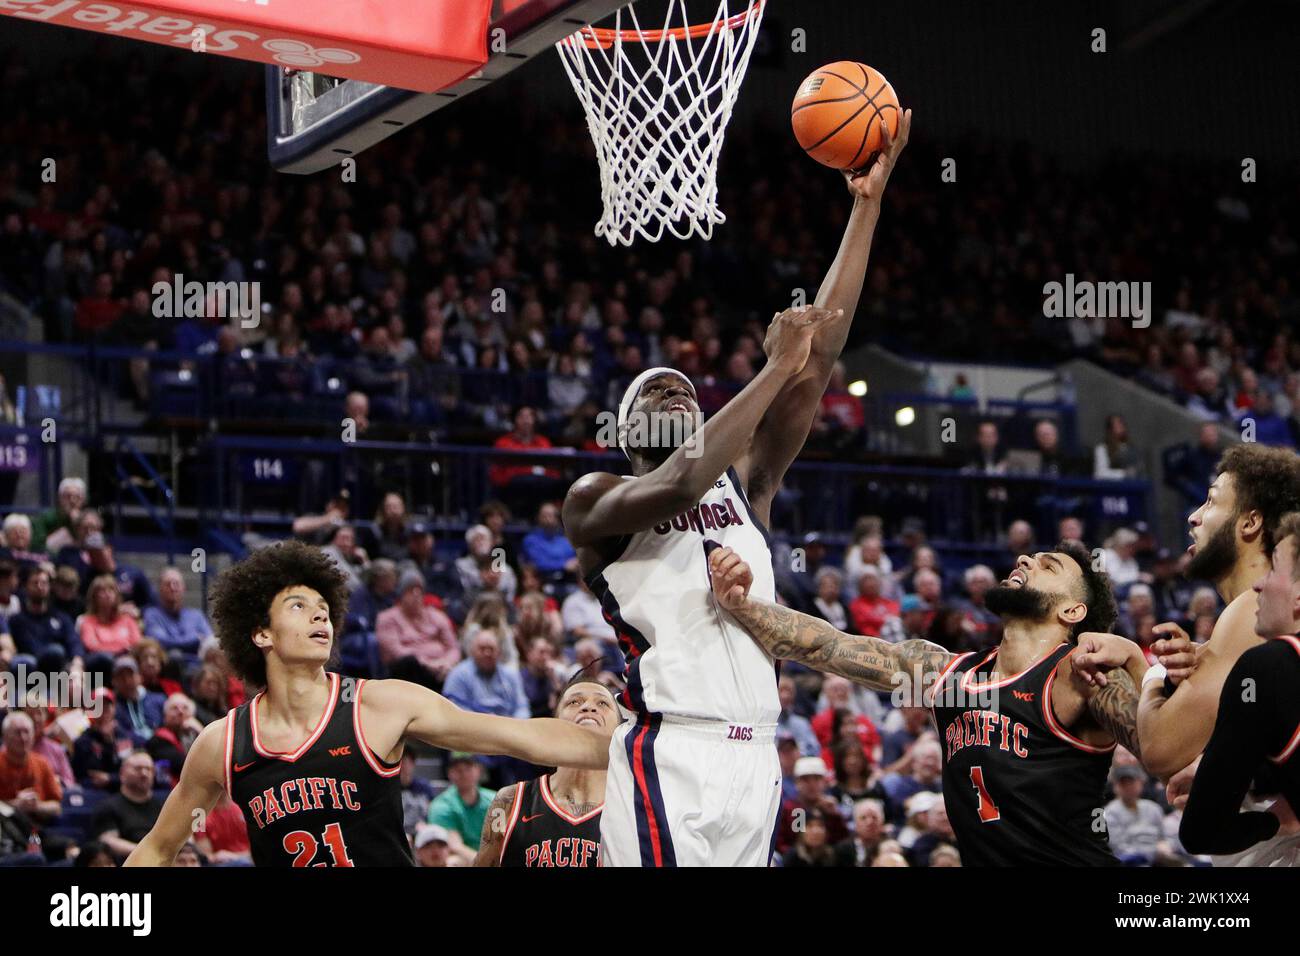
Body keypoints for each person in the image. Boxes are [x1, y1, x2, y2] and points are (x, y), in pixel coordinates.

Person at [561, 117, 909, 867]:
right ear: (625, 432)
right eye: (657, 393)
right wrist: (775, 367)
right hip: (672, 748)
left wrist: (866, 207)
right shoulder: (596, 499)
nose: (676, 395)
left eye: (686, 389)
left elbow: (820, 357)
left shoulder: (744, 481)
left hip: (758, 755)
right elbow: (684, 474)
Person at [123, 541, 610, 866]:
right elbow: (158, 848)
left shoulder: (381, 705)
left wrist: (631, 748)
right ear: (261, 633)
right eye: (299, 606)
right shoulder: (222, 743)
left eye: (324, 609)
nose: (319, 615)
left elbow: (516, 735)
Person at [709, 538, 1137, 866]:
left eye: (1049, 566)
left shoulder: (1081, 674)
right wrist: (742, 604)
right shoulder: (947, 676)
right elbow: (828, 646)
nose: (1025, 560)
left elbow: (1157, 742)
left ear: (1073, 612)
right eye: (1030, 557)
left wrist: (1141, 667)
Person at [1178, 511, 1300, 860]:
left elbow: (1202, 833)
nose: (1258, 585)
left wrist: (1276, 820)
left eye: (1274, 568)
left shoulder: (1268, 666)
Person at [476, 675, 615, 867]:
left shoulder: (635, 806)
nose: (589, 707)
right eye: (574, 701)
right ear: (554, 723)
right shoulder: (510, 800)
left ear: (620, 728)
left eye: (602, 703)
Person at [374, 570, 461, 688]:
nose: (416, 594)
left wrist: (446, 663)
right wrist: (427, 663)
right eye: (410, 590)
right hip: (410, 672)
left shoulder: (436, 615)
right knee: (409, 662)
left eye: (419, 590)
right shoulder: (387, 618)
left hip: (442, 668)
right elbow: (395, 652)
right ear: (401, 595)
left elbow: (453, 647)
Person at [92, 750, 165, 862]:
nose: (144, 774)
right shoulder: (108, 807)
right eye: (138, 768)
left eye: (149, 769)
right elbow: (108, 841)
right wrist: (148, 853)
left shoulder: (164, 805)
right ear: (122, 773)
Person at [427, 752, 494, 865]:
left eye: (468, 768)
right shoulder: (441, 806)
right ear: (449, 773)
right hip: (464, 859)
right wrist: (487, 863)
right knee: (452, 863)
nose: (463, 773)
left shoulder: (496, 799)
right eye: (458, 769)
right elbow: (455, 846)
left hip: (494, 856)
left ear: (478, 770)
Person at [0, 711, 63, 823]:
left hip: (38, 826)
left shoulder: (41, 763)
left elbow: (57, 807)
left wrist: (37, 806)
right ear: (5, 736)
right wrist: (16, 804)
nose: (23, 738)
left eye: (27, 732)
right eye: (17, 732)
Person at [142, 568, 212, 657]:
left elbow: (210, 642)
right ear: (160, 589)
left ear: (184, 588)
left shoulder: (197, 616)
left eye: (176, 584)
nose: (173, 588)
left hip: (198, 667)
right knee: (175, 654)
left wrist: (173, 641)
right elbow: (159, 642)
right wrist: (195, 640)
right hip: (167, 667)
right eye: (168, 584)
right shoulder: (151, 614)